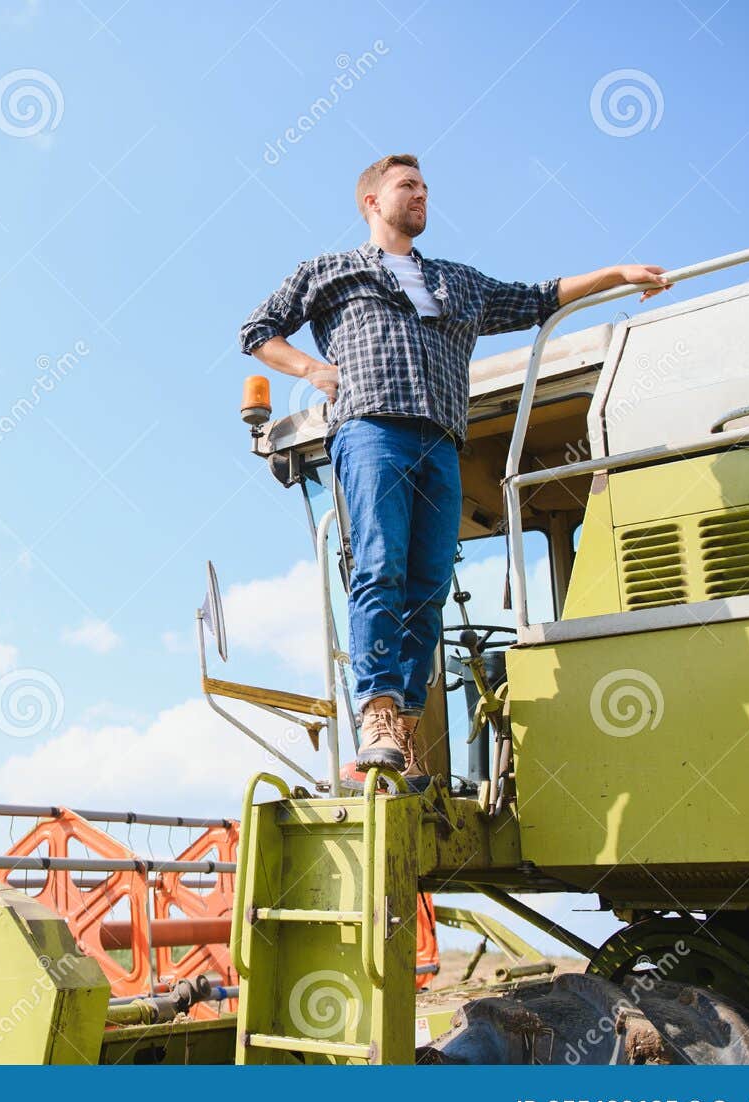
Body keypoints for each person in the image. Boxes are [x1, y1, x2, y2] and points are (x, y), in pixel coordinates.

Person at [239, 153, 669, 792]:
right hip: (371, 426)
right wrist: (310, 371)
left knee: (429, 583)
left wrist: (612, 273)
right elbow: (258, 330)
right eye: (407, 186)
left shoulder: (456, 282)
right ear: (371, 202)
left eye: (425, 189)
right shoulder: (329, 272)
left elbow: (535, 298)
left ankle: (405, 725)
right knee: (380, 566)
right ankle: (377, 709)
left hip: (441, 439)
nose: (420, 196)